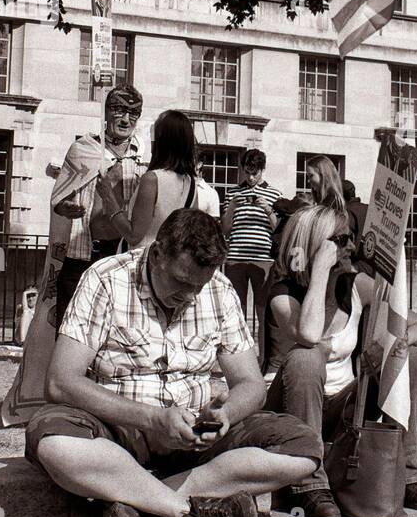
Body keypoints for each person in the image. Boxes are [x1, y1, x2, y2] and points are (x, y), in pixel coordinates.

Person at [24, 209, 321, 517]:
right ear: (156, 254)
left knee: (303, 447)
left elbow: (251, 384)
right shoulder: (105, 278)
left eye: (200, 285)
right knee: (52, 441)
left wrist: (224, 416)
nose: (190, 296)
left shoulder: (220, 290)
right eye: (181, 281)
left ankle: (138, 499)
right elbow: (61, 381)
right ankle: (184, 510)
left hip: (194, 437)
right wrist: (153, 419)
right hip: (121, 433)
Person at [263, 205, 417, 517]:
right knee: (306, 358)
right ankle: (308, 485)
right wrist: (319, 271)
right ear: (316, 244)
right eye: (341, 239)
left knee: (411, 359)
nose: (351, 246)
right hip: (295, 407)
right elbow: (307, 333)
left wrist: (395, 345)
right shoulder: (283, 293)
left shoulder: (354, 284)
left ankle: (407, 473)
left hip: (342, 406)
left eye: (351, 237)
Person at [50, 84, 145, 326]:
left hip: (124, 257)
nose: (125, 119)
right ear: (106, 113)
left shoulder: (145, 155)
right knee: (69, 324)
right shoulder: (84, 148)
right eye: (119, 111)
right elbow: (59, 198)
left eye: (132, 113)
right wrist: (64, 207)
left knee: (116, 327)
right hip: (83, 253)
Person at [100, 109, 220, 251]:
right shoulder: (191, 184)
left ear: (162, 140)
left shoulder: (152, 180)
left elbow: (133, 236)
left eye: (154, 134)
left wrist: (108, 196)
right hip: (165, 264)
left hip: (141, 261)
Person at [221, 149, 281, 355]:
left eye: (255, 172)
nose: (251, 177)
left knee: (263, 311)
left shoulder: (275, 194)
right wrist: (231, 208)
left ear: (262, 170)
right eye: (247, 172)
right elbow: (225, 230)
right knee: (235, 312)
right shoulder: (232, 192)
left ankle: (263, 360)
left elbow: (278, 229)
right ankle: (238, 358)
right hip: (236, 258)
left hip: (263, 260)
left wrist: (268, 209)